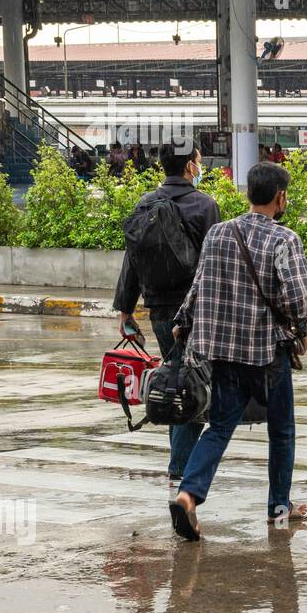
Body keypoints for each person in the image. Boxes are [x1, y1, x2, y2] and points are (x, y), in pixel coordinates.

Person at [169, 161, 307, 541]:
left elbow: (198, 285)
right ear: (280, 197)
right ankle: (278, 510)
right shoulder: (285, 239)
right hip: (267, 353)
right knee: (282, 432)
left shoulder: (218, 233)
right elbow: (295, 296)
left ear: (249, 193)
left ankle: (188, 494)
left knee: (218, 428)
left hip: (221, 352)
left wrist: (182, 321)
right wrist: (303, 331)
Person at [114, 141, 221, 481]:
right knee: (191, 388)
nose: (200, 165)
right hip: (196, 312)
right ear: (190, 166)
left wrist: (125, 311)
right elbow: (213, 264)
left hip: (158, 310)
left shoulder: (145, 203)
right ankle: (180, 468)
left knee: (178, 380)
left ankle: (180, 464)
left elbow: (132, 260)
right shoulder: (205, 205)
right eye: (199, 160)